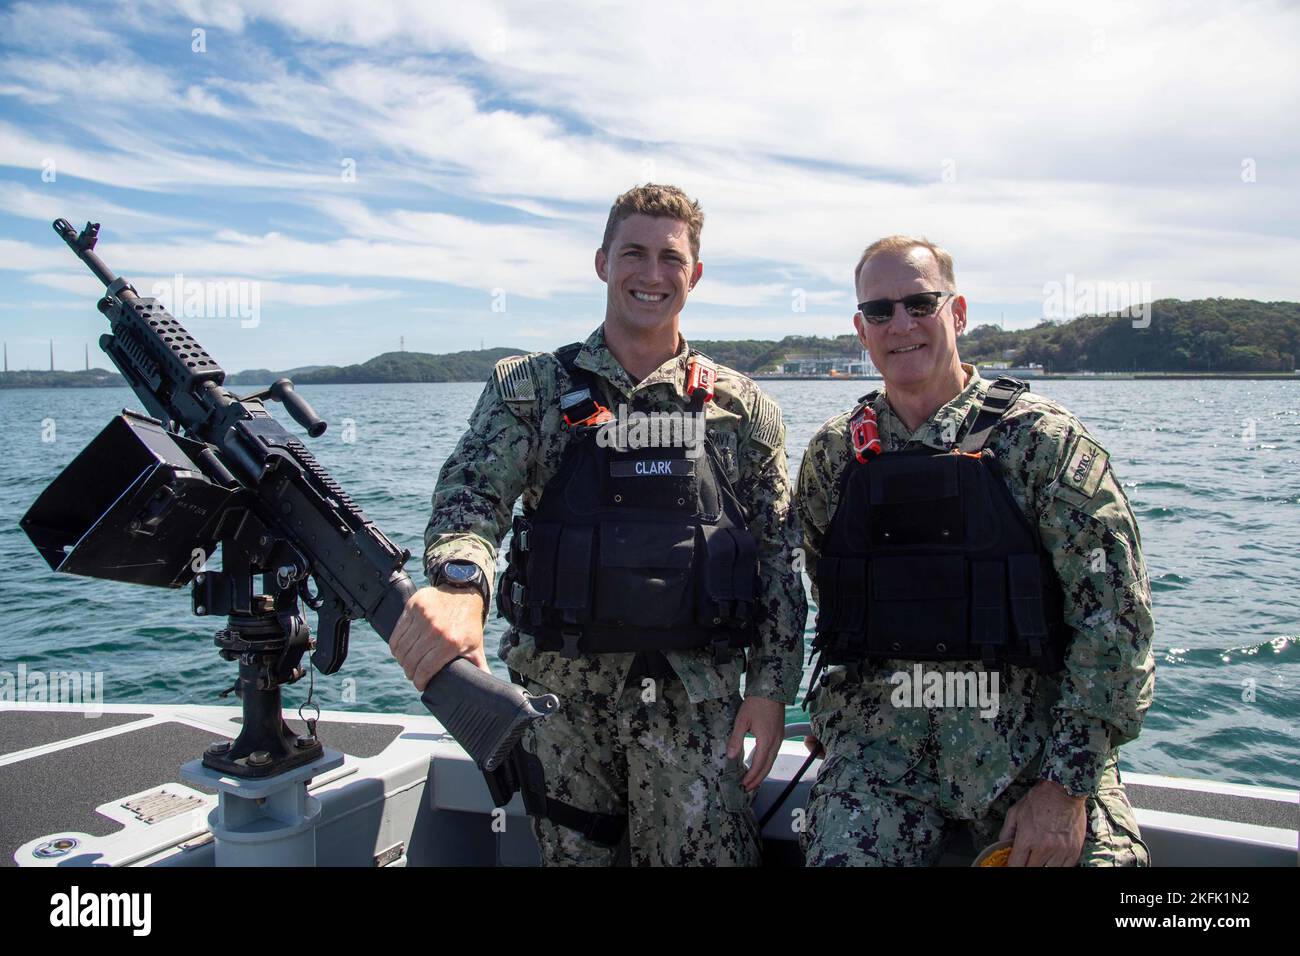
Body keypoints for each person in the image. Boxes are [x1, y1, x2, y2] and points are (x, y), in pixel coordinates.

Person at [389, 184, 806, 865]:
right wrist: (462, 583)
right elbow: (472, 498)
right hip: (563, 707)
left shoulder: (743, 407)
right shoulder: (530, 388)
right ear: (601, 262)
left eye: (670, 258)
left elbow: (779, 555)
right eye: (632, 253)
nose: (650, 274)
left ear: (694, 275)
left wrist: (770, 689)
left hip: (697, 709)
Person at [796, 235, 1154, 866]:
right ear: (861, 328)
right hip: (881, 760)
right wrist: (837, 726)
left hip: (1033, 757)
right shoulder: (835, 456)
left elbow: (1117, 625)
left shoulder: (1043, 444)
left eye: (919, 303)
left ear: (956, 313)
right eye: (880, 311)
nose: (901, 324)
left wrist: (1065, 786)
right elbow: (834, 601)